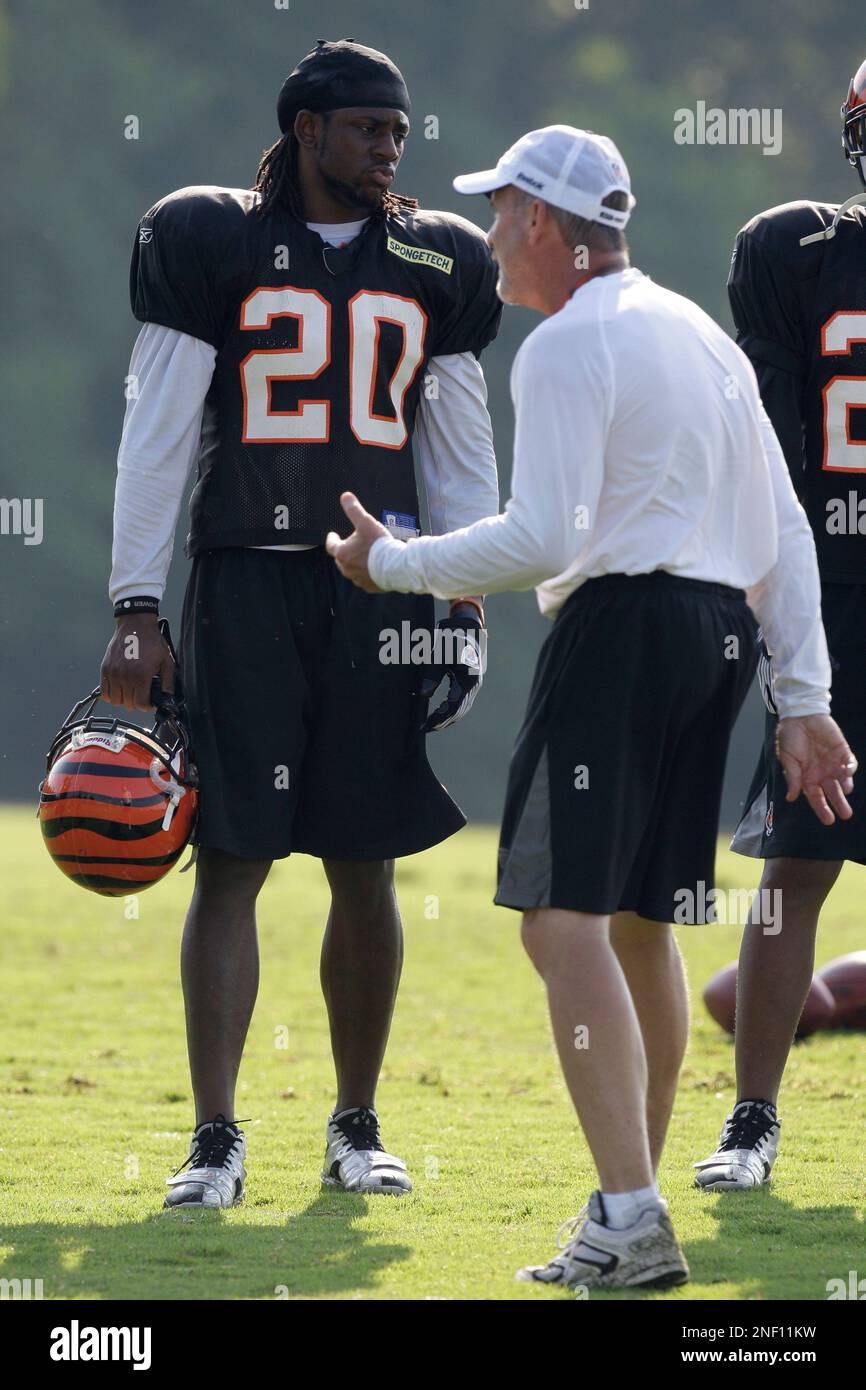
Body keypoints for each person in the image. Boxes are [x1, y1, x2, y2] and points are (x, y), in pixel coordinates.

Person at [327, 125, 857, 1290]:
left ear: (548, 228)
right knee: (636, 925)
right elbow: (781, 537)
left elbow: (544, 538)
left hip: (619, 633)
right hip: (714, 638)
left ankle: (625, 1209)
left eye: (504, 209)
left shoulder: (566, 345)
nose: (492, 232)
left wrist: (393, 566)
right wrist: (798, 694)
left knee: (555, 922)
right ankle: (633, 1202)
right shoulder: (699, 335)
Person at [100, 38, 502, 1208]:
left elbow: (458, 448)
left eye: (399, 131)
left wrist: (462, 598)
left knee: (363, 865)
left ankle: (355, 1121)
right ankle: (216, 1135)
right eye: (367, 129)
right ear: (307, 129)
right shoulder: (210, 238)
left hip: (377, 589)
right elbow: (159, 428)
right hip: (244, 580)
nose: (387, 150)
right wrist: (136, 601)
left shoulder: (437, 257)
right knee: (227, 862)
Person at [693, 60, 866, 1192]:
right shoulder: (796, 252)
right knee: (795, 864)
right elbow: (765, 453)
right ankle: (750, 1121)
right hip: (832, 597)